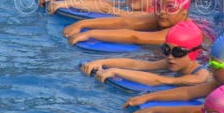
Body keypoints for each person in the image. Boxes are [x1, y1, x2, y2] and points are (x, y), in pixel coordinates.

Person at [123, 30, 224, 113]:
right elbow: (188, 93)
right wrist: (147, 97)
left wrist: (153, 111)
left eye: (214, 66)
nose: (210, 69)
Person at [63, 0, 194, 46]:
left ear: (184, 10)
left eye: (170, 7)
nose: (162, 11)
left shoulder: (180, 30)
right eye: (158, 4)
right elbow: (125, 21)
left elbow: (135, 37)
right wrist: (81, 24)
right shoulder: (161, 16)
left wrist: (90, 33)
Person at [81, 20, 209, 86]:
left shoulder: (200, 76)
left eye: (178, 52)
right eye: (166, 49)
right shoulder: (174, 62)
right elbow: (138, 65)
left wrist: (116, 72)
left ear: (195, 53)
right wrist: (102, 62)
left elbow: (159, 80)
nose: (170, 56)